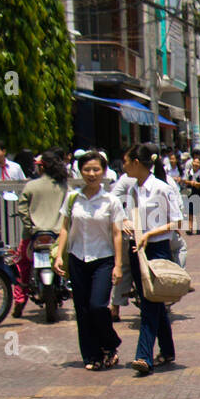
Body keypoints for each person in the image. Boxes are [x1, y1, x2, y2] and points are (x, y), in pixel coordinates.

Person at [52, 150, 124, 370]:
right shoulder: (73, 197)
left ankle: (110, 344)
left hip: (103, 259)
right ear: (80, 171)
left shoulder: (111, 201)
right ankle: (91, 355)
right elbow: (65, 228)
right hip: (77, 258)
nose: (91, 174)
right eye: (87, 169)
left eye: (96, 169)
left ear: (104, 172)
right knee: (81, 310)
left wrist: (118, 265)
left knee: (97, 306)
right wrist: (58, 255)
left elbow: (117, 233)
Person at [120, 143, 182, 375]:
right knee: (153, 302)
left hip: (157, 250)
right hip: (136, 249)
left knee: (149, 304)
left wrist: (149, 234)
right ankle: (167, 350)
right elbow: (127, 216)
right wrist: (127, 225)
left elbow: (177, 222)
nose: (123, 166)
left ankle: (143, 356)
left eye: (126, 161)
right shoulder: (132, 189)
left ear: (137, 163)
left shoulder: (162, 188)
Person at [13, 147, 70, 318]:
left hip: (33, 234)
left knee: (22, 265)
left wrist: (30, 227)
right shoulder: (63, 186)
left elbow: (22, 209)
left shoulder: (31, 186)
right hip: (57, 234)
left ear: (42, 167)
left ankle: (19, 301)